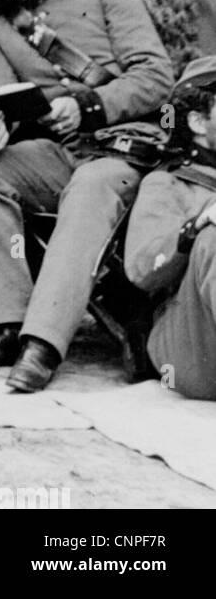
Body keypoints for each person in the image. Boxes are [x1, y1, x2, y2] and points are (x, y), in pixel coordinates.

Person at [0, 0, 172, 392]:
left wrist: (90, 105)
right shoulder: (1, 30)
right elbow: (9, 101)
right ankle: (8, 323)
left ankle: (44, 343)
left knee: (91, 185)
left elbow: (158, 77)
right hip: (60, 154)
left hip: (123, 150)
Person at [124, 57, 216, 399]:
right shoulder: (166, 184)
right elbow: (142, 270)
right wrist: (195, 227)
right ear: (197, 121)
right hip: (190, 347)